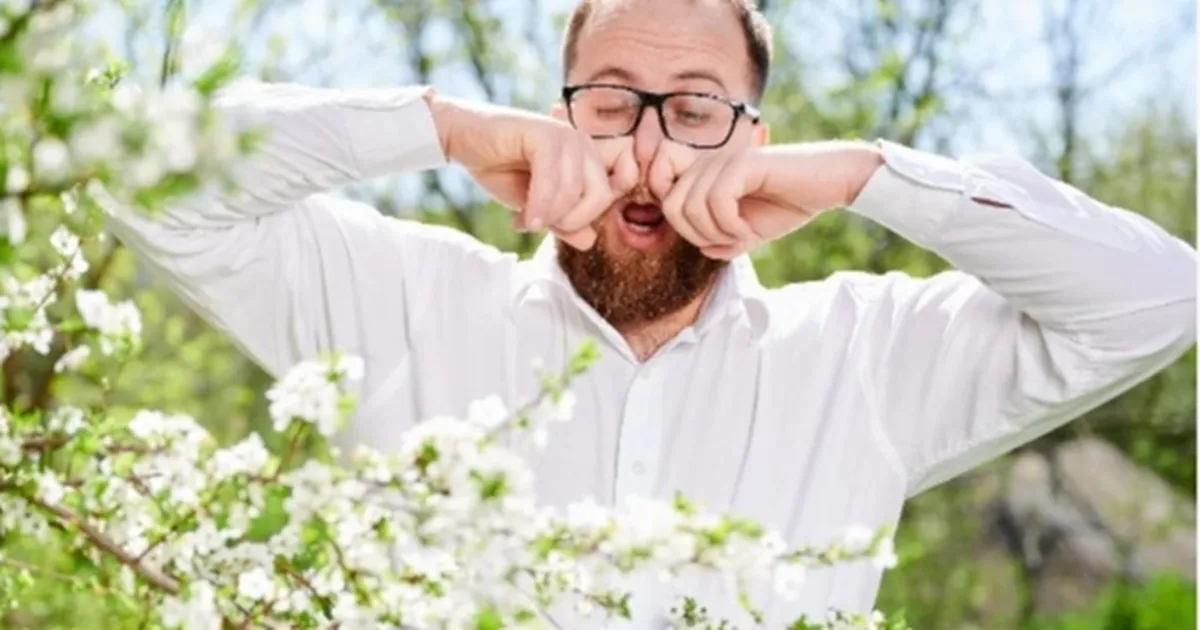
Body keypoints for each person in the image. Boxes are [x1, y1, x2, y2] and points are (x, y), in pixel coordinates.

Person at [102, 0, 1197, 625]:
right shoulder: (398, 302)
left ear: (756, 143)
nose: (652, 146)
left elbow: (1157, 300)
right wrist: (436, 127)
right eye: (614, 100)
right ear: (555, 119)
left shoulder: (867, 358)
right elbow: (134, 170)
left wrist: (872, 177)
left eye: (697, 108)